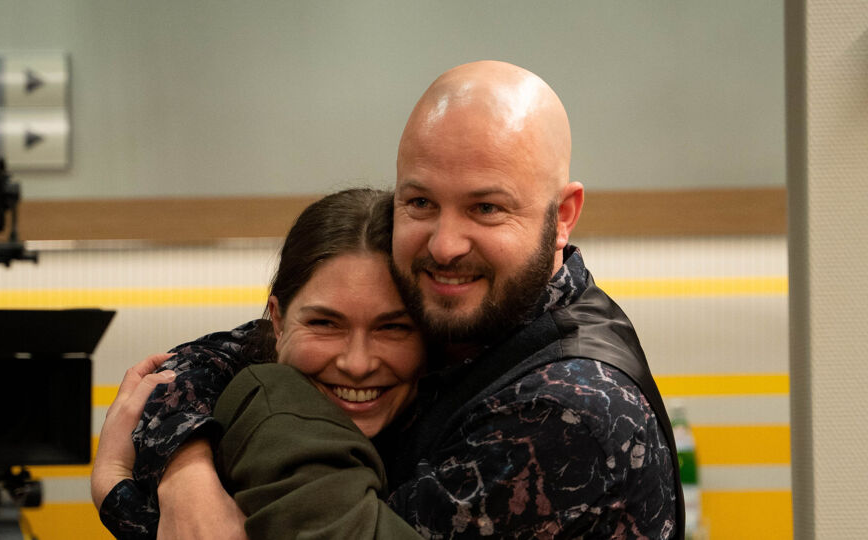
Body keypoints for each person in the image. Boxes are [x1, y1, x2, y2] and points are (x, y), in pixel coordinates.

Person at [98, 60, 682, 539]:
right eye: (422, 203)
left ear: (563, 217)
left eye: (486, 207)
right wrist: (188, 468)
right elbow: (194, 367)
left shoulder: (568, 410)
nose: (445, 245)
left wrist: (121, 493)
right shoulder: (455, 320)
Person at [92, 188, 425, 539]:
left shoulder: (464, 432)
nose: (357, 364)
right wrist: (187, 469)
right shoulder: (242, 388)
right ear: (278, 322)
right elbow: (191, 368)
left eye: (392, 327)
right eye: (324, 324)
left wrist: (114, 488)